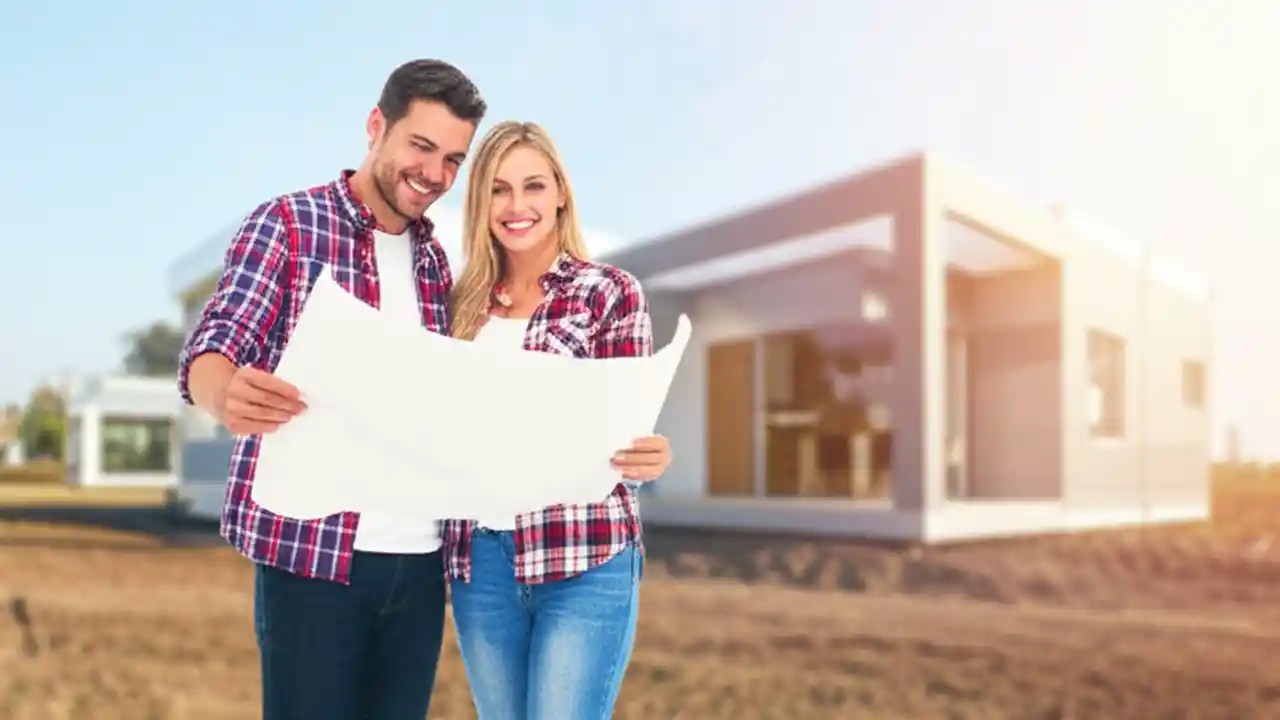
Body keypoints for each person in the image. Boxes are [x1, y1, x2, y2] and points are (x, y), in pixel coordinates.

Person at [176, 60, 669, 719]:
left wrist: (640, 451)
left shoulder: (440, 265)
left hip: (425, 563)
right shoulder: (291, 226)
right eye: (421, 146)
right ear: (376, 126)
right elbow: (216, 341)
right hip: (318, 558)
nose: (433, 173)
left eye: (452, 160)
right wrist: (223, 392)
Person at [442, 120, 665, 720]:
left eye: (533, 186)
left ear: (561, 193)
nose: (517, 206)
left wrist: (643, 455)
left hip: (582, 558)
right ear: (480, 202)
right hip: (479, 565)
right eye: (498, 189)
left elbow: (623, 443)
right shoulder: (457, 306)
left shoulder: (609, 294)